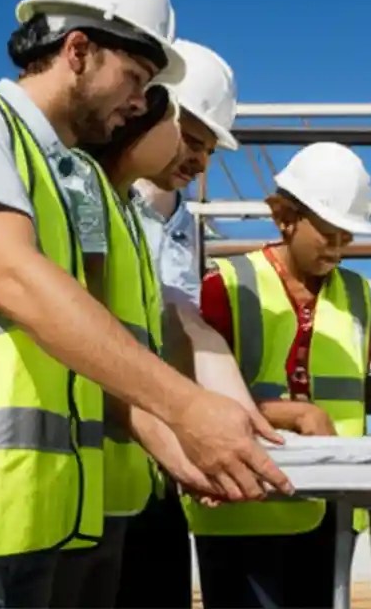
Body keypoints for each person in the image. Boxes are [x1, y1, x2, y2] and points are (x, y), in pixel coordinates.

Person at [0, 0, 290, 609]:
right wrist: (189, 407)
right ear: (77, 51)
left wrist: (176, 443)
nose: (142, 104)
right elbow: (14, 281)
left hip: (26, 527)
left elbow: (87, 357)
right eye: (136, 78)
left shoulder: (57, 179)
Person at [186, 141, 371, 609]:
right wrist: (294, 414)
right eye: (328, 233)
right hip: (242, 508)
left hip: (329, 511)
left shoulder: (359, 295)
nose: (336, 249)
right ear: (283, 216)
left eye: (347, 238)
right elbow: (191, 398)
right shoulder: (227, 285)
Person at [114, 38, 247, 609]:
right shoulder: (101, 204)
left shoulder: (191, 234)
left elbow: (185, 327)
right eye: (192, 141)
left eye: (210, 150)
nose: (200, 162)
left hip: (160, 477)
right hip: (103, 469)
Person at [51, 84, 195, 607]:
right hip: (87, 492)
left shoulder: (131, 214)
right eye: (174, 122)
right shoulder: (88, 196)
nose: (183, 141)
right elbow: (90, 335)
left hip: (127, 485)